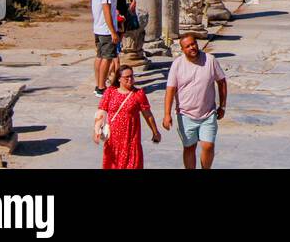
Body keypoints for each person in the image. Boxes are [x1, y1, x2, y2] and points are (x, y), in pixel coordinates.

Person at [162, 33, 228, 169]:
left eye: (193, 44)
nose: (192, 47)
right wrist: (167, 114)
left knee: (208, 145)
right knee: (189, 147)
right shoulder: (177, 64)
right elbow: (170, 90)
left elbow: (221, 82)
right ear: (183, 49)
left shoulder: (210, 60)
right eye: (188, 46)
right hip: (185, 114)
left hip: (208, 113)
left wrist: (223, 106)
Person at [95, 65, 160, 169]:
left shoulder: (138, 94)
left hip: (131, 141)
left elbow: (148, 115)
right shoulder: (110, 92)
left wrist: (155, 131)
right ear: (119, 79)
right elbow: (101, 110)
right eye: (127, 77)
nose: (130, 79)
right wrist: (97, 129)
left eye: (132, 76)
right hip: (113, 141)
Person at [91, 0, 120, 97]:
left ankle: (98, 84)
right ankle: (102, 87)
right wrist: (113, 31)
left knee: (99, 56)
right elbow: (106, 10)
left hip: (97, 27)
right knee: (107, 58)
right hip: (106, 30)